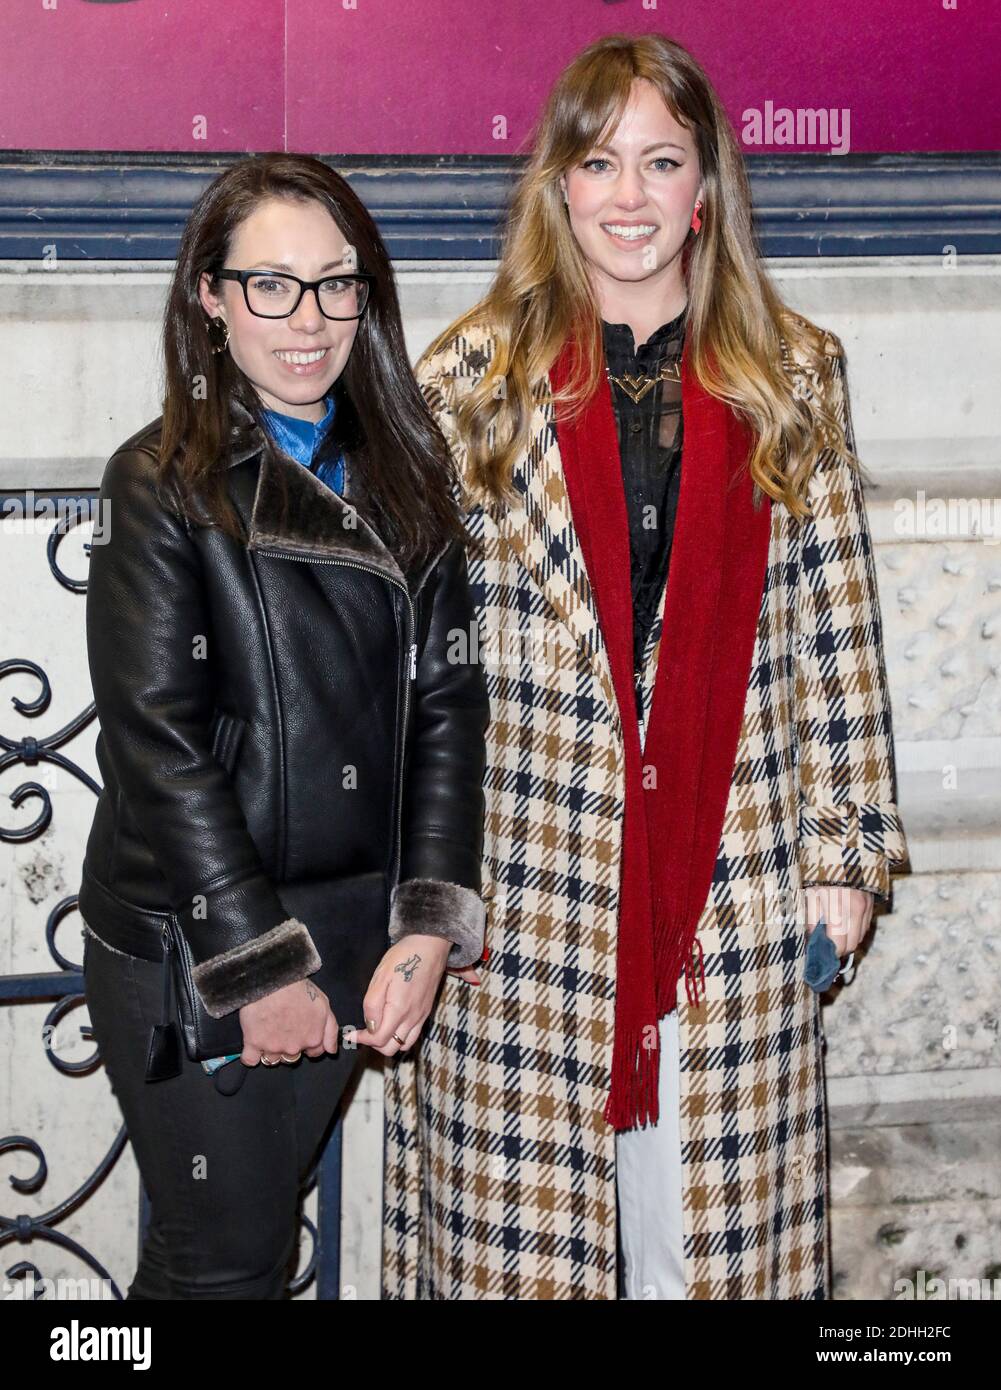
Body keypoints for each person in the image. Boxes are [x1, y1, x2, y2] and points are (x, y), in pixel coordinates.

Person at [382, 34, 909, 1300]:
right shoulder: (469, 380)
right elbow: (413, 665)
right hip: (528, 874)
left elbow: (835, 624)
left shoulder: (792, 374)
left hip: (727, 867)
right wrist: (416, 889)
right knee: (526, 1253)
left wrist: (842, 855)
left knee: (708, 1242)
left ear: (705, 188)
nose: (629, 194)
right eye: (598, 160)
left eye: (660, 161)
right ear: (556, 185)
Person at [78, 153, 489, 1300]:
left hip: (353, 939)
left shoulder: (407, 468)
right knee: (221, 1267)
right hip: (202, 948)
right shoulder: (160, 481)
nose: (307, 322)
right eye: (269, 285)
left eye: (335, 285)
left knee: (237, 1256)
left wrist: (427, 921)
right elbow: (157, 747)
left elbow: (446, 705)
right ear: (208, 297)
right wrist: (256, 967)